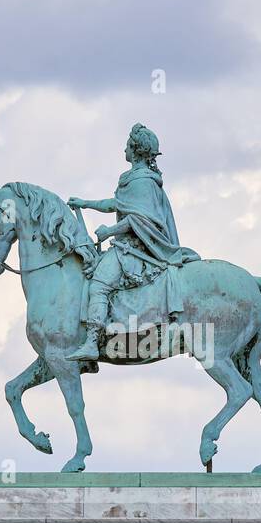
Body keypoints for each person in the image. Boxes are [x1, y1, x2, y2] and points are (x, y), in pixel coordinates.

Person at [65, 124, 199, 361]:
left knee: (99, 284)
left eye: (127, 145)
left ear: (136, 150)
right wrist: (86, 203)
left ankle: (92, 342)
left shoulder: (143, 182)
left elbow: (139, 219)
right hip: (126, 245)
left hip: (135, 249)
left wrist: (109, 231)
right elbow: (117, 205)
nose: (124, 148)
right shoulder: (133, 179)